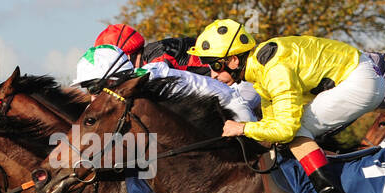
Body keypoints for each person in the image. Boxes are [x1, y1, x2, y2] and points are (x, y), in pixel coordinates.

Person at [199, 19, 385, 193]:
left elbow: (285, 129)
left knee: (296, 131)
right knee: (283, 135)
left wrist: (242, 129)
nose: (213, 75)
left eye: (216, 65)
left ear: (234, 60)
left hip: (360, 80)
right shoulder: (260, 69)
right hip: (357, 73)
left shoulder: (274, 69)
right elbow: (270, 125)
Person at [73, 43, 259, 123]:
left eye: (93, 88)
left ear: (113, 80)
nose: (91, 96)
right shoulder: (131, 84)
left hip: (235, 110)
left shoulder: (151, 83)